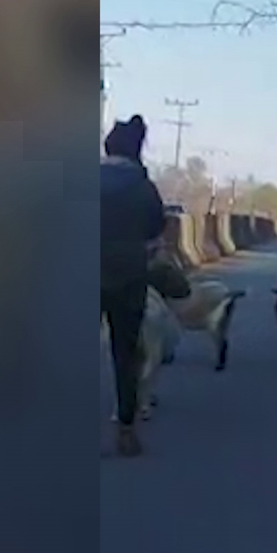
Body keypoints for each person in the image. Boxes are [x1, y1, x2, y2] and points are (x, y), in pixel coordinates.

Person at [100, 115, 166, 456]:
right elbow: (156, 236)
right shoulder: (144, 188)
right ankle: (126, 428)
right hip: (128, 278)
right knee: (126, 354)